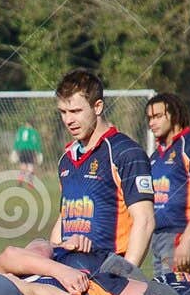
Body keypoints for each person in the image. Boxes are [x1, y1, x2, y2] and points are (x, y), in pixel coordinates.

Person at [51, 68, 155, 268]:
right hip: (71, 270)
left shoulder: (126, 153)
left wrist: (126, 273)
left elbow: (145, 220)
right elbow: (64, 216)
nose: (68, 120)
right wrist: (52, 257)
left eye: (75, 111)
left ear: (97, 107)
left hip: (108, 273)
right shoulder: (66, 159)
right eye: (63, 112)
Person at [147, 92, 190, 276]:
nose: (151, 123)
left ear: (174, 115)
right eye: (149, 118)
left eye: (157, 116)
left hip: (180, 236)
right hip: (159, 237)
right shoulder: (156, 155)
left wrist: (186, 239)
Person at [13, 118, 42, 184]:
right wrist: (39, 151)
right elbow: (36, 142)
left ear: (26, 123)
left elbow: (17, 140)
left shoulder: (21, 130)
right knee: (30, 165)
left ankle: (20, 179)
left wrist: (15, 149)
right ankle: (30, 181)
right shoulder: (33, 131)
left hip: (22, 149)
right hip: (30, 149)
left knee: (23, 165)